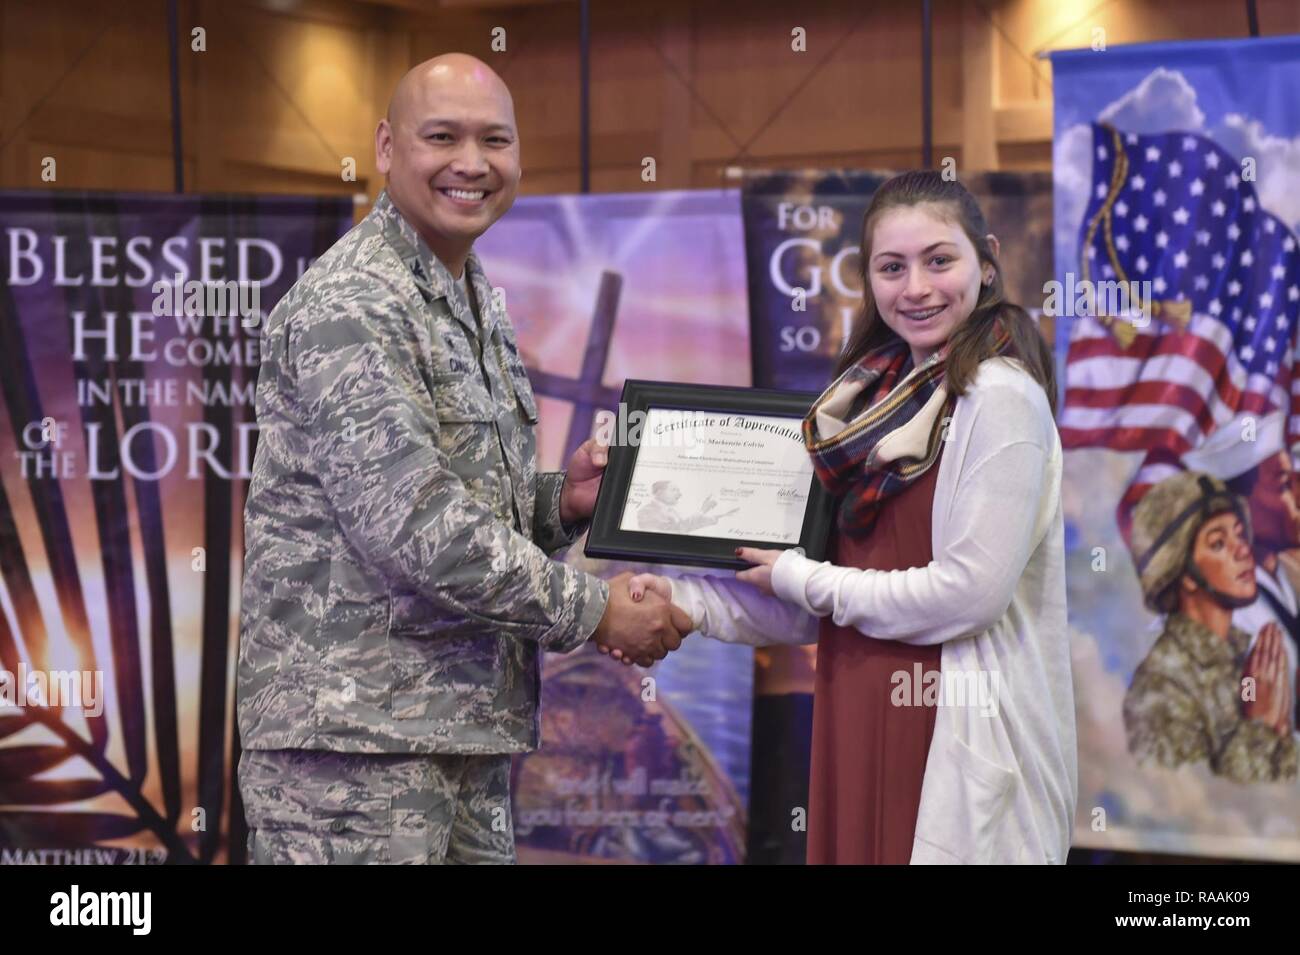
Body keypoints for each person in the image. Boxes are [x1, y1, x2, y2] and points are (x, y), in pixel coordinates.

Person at [236, 53, 692, 865]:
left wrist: (563, 503)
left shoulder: (468, 293)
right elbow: (415, 528)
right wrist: (595, 610)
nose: (472, 164)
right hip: (355, 752)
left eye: (495, 140)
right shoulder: (357, 302)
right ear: (384, 147)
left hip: (456, 728)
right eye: (441, 136)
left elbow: (460, 501)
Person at [618, 170, 1076, 864]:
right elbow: (814, 604)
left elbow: (969, 595)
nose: (916, 286)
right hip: (855, 713)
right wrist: (683, 598)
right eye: (892, 267)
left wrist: (805, 579)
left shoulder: (1000, 397)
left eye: (939, 260)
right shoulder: (857, 409)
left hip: (949, 736)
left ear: (985, 262)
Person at [1123, 471, 1296, 782]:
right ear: (1185, 573)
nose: (1243, 549)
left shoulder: (1251, 660)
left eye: (1240, 534)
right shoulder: (1161, 689)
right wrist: (1260, 733)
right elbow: (1185, 814)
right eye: (1218, 543)